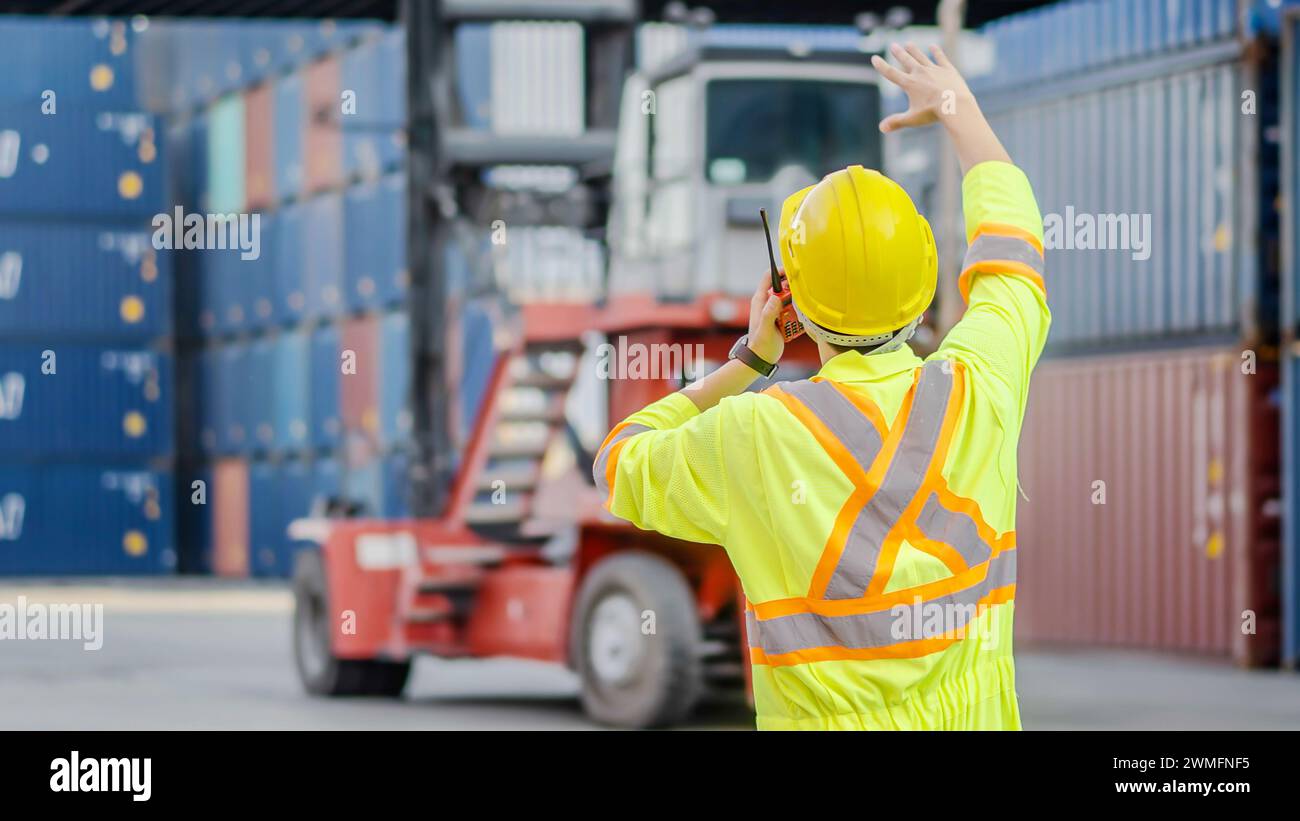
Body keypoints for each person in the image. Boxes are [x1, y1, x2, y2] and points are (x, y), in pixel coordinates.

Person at [593, 42, 1049, 730]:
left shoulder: (755, 435)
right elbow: (1012, 255)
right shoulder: (981, 387)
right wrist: (959, 109)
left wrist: (749, 358)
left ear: (795, 307)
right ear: (923, 290)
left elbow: (620, 459)